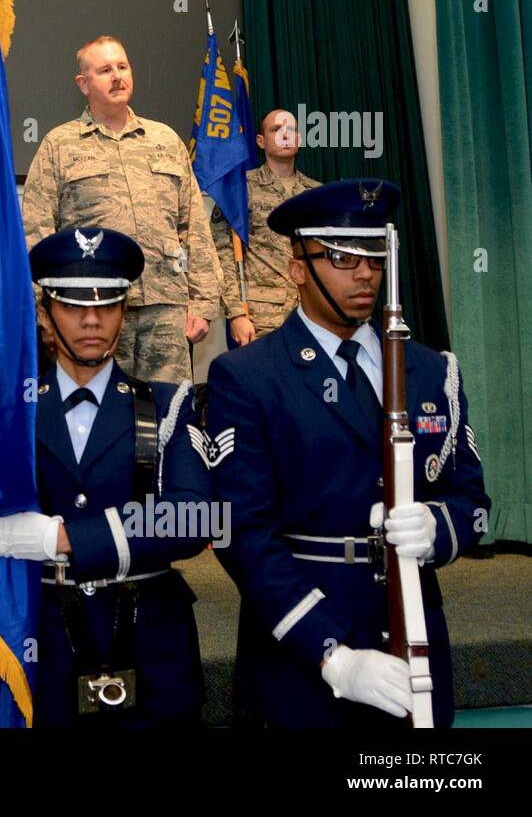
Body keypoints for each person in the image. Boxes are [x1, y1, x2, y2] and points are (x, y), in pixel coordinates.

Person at [205, 180, 490, 727]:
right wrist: (330, 652)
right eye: (340, 258)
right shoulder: (250, 376)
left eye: (374, 259)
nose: (364, 275)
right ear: (297, 269)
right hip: (302, 644)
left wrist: (439, 526)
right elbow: (240, 532)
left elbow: (471, 497)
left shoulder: (429, 370)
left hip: (413, 633)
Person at [0, 226, 212, 727]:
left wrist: (63, 537)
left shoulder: (168, 404)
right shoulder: (8, 415)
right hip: (39, 642)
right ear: (46, 314)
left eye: (107, 304)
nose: (91, 320)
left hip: (149, 641)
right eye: (72, 306)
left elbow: (194, 518)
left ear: (123, 312)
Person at [21, 36, 221, 384]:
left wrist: (202, 303)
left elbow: (194, 228)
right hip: (91, 310)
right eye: (104, 70)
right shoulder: (59, 144)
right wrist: (48, 307)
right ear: (83, 84)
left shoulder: (165, 140)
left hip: (166, 307)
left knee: (169, 414)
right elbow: (35, 233)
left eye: (122, 67)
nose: (117, 76)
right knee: (102, 417)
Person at [211, 108, 320, 344]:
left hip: (312, 314)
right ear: (261, 141)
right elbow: (223, 255)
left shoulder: (317, 194)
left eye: (290, 129)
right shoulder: (241, 190)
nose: (285, 135)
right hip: (261, 318)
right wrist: (237, 314)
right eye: (276, 129)